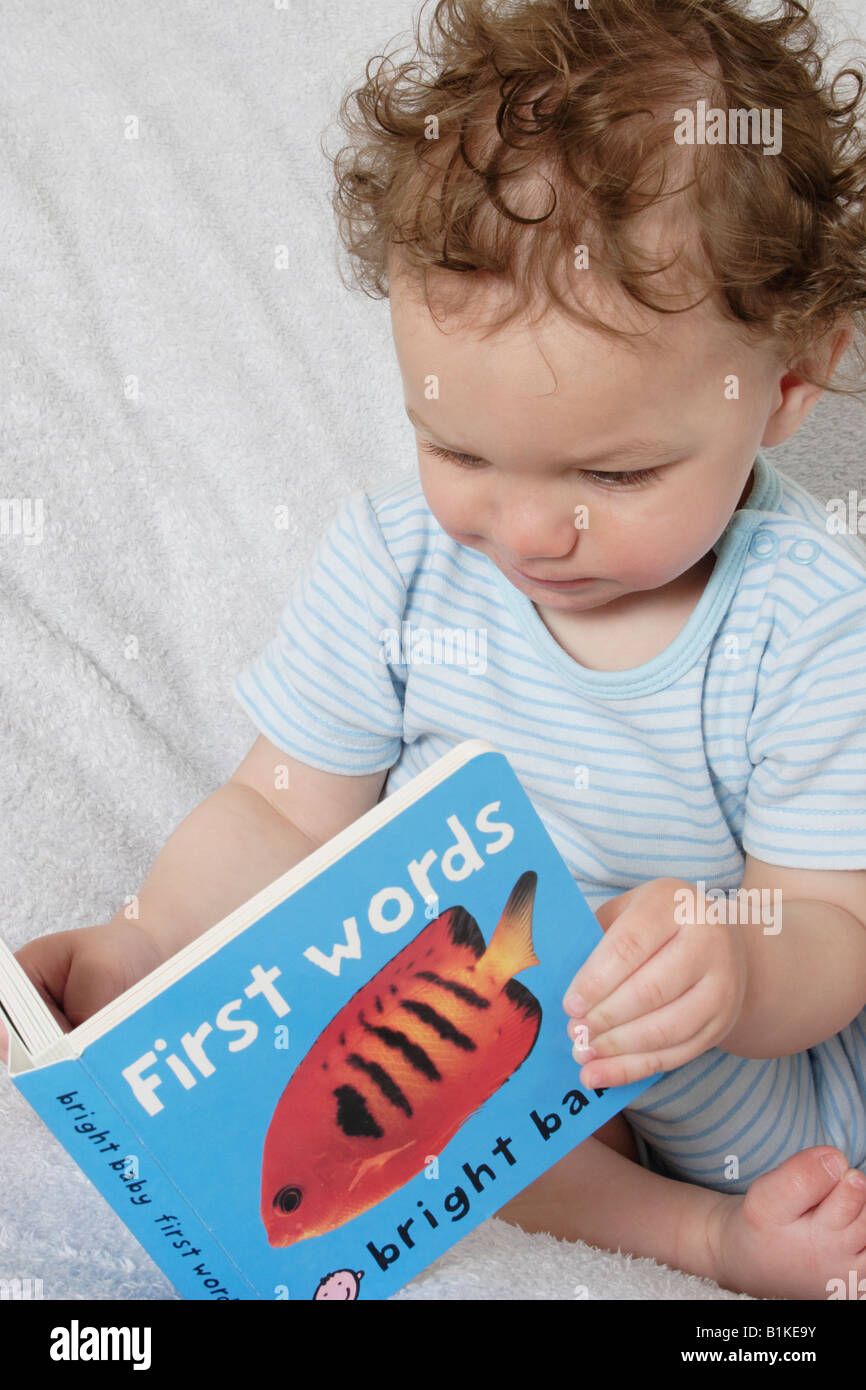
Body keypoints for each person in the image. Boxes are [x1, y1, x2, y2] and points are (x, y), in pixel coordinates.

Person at [4, 0, 866, 1299]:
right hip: (495, 1061)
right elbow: (274, 811)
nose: (523, 529)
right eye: (456, 449)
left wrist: (734, 957)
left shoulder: (802, 618)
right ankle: (688, 1246)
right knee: (385, 1073)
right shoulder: (400, 562)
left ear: (786, 386)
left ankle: (722, 1229)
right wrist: (144, 944)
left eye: (614, 470)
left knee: (578, 1018)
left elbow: (831, 923)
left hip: (726, 1083)